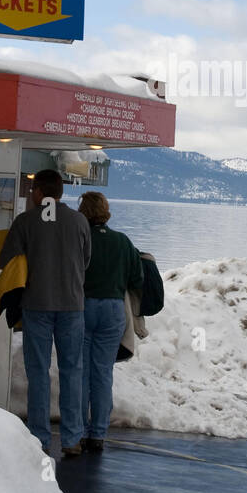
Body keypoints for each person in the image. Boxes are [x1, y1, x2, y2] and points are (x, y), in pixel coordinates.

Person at [0, 169, 92, 457]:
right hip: (72, 305)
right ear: (61, 191)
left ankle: (39, 436)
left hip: (36, 305)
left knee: (38, 371)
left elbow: (7, 261)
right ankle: (72, 437)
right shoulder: (79, 221)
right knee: (72, 370)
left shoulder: (25, 221)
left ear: (38, 192)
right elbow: (86, 260)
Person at [76, 192, 143, 453]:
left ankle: (78, 431)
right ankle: (98, 434)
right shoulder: (123, 242)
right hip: (113, 309)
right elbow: (137, 278)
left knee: (79, 372)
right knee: (103, 373)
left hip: (81, 307)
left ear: (83, 211)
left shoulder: (79, 240)